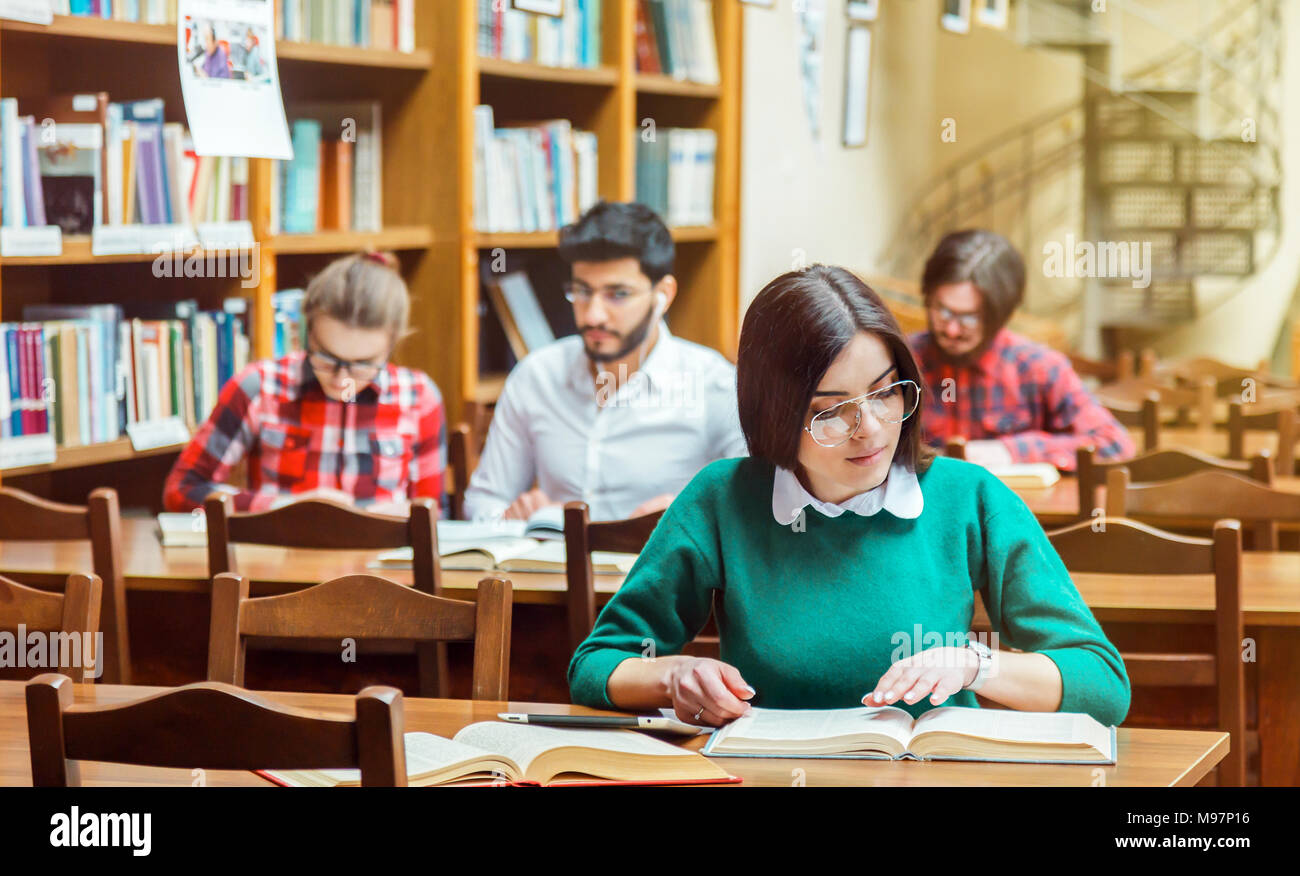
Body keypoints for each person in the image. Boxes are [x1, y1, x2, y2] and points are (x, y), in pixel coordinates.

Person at [568, 264, 1130, 728]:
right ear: (775, 415)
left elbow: (1102, 684)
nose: (871, 429)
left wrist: (977, 664)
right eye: (831, 411)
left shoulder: (969, 497)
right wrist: (674, 675)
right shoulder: (723, 499)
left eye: (886, 391)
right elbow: (597, 664)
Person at [462, 201, 747, 522]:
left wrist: (693, 518)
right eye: (582, 291)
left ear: (663, 294)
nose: (594, 314)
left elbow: (756, 509)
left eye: (618, 294)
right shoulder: (536, 376)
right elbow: (484, 500)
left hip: (664, 571)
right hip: (556, 568)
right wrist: (510, 518)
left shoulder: (716, 386)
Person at [163, 252, 445, 515]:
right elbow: (181, 491)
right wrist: (287, 508)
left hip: (379, 568)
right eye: (326, 357)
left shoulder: (420, 399)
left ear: (392, 343)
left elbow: (432, 515)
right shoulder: (259, 387)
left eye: (363, 364)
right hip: (278, 564)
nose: (342, 380)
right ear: (306, 331)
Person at [909, 229, 1135, 470]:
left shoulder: (1038, 367)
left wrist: (1011, 451)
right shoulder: (902, 359)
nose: (952, 330)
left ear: (1001, 314)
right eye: (943, 311)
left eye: (970, 317)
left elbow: (1114, 443)